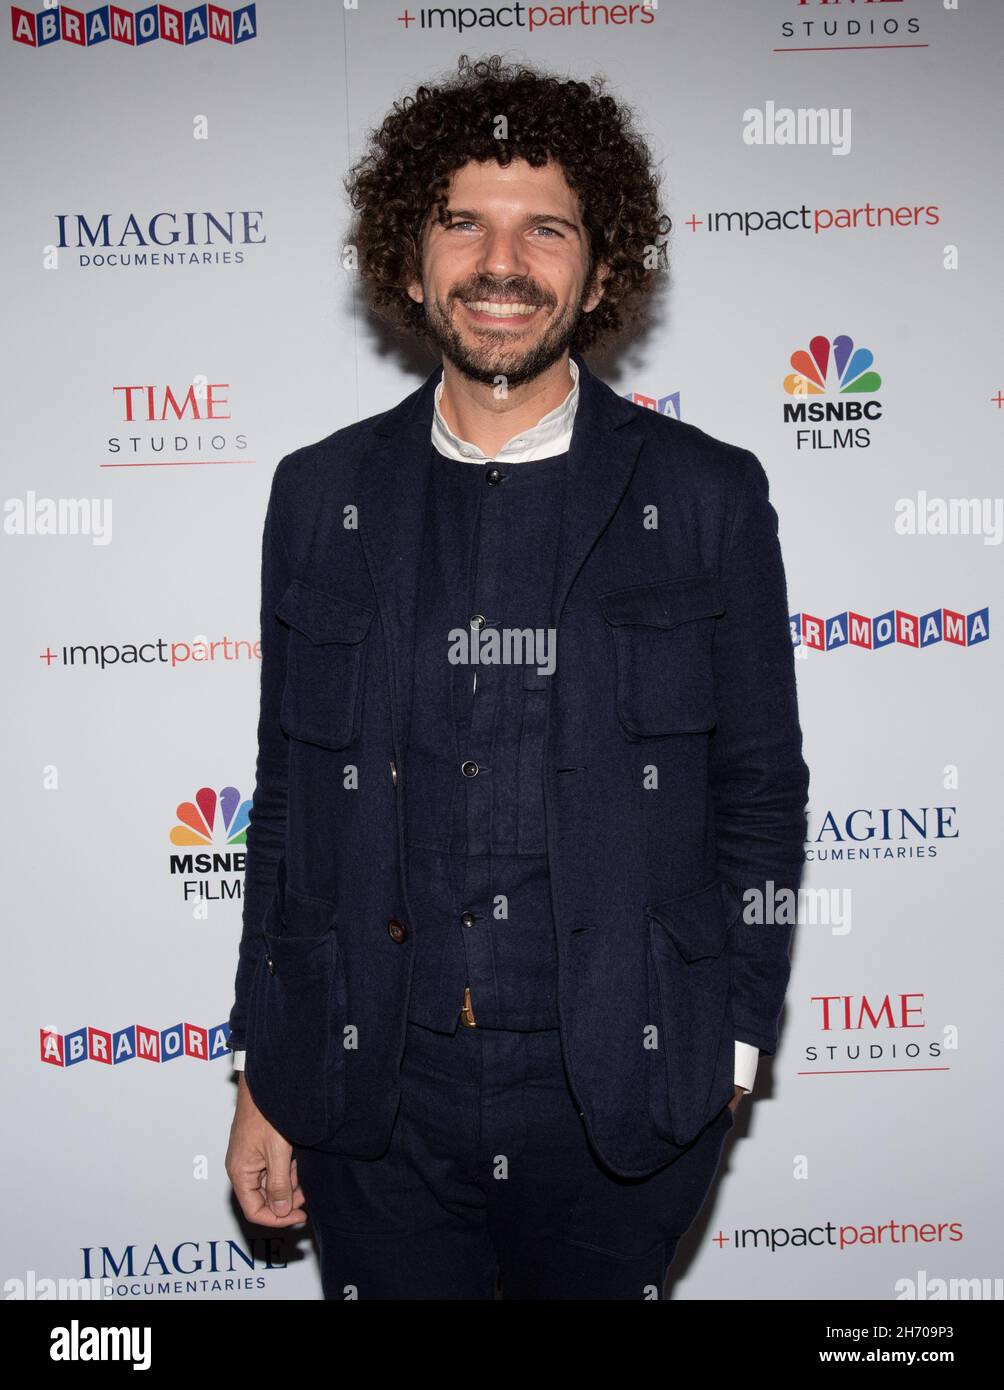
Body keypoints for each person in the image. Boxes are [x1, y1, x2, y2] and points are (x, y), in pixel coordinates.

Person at [224, 53, 810, 1301]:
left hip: (623, 1094)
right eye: (463, 223)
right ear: (406, 255)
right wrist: (264, 1072)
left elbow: (758, 792)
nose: (503, 264)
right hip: (370, 1087)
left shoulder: (703, 495)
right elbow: (288, 802)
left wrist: (733, 1045)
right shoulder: (317, 493)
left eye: (545, 227)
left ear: (599, 268)